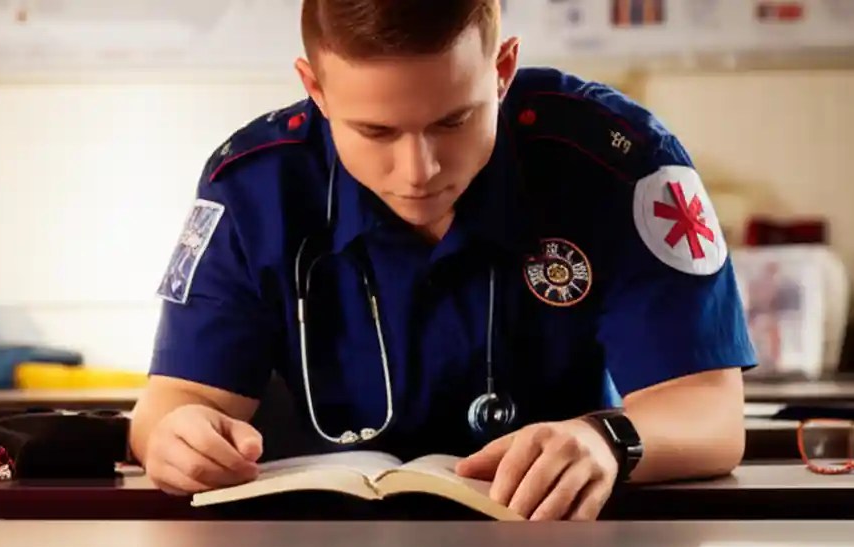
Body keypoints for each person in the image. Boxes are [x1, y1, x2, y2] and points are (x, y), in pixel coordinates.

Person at [129, 0, 756, 520]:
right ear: (314, 88)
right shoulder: (252, 185)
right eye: (376, 132)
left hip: (552, 541)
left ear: (503, 68)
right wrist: (173, 438)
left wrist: (607, 438)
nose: (419, 172)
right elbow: (172, 402)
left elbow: (712, 413)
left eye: (455, 121)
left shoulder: (621, 163)